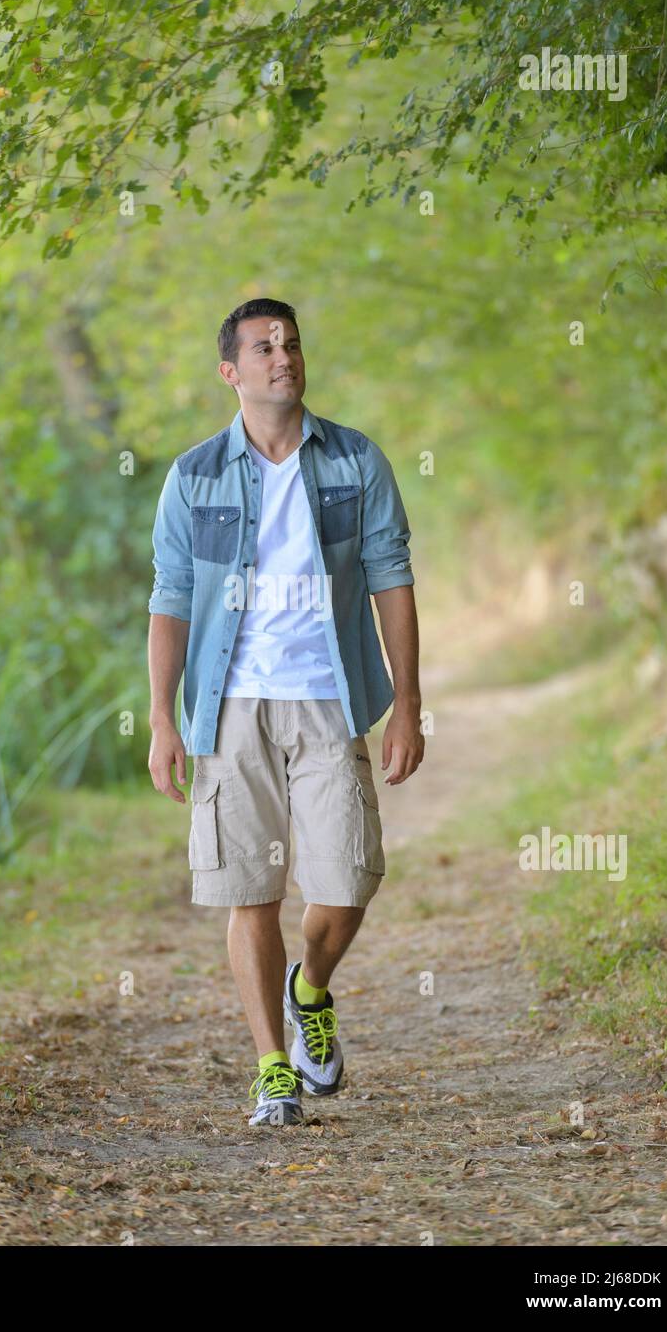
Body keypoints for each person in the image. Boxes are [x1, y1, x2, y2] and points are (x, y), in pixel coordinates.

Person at [147, 297, 425, 1126]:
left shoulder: (354, 459)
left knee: (346, 883)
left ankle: (311, 988)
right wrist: (163, 717)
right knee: (250, 891)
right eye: (264, 347)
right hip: (230, 706)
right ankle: (272, 1066)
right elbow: (170, 598)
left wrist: (407, 702)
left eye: (292, 344)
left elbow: (392, 581)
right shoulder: (194, 475)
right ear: (230, 371)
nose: (283, 357)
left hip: (328, 696)